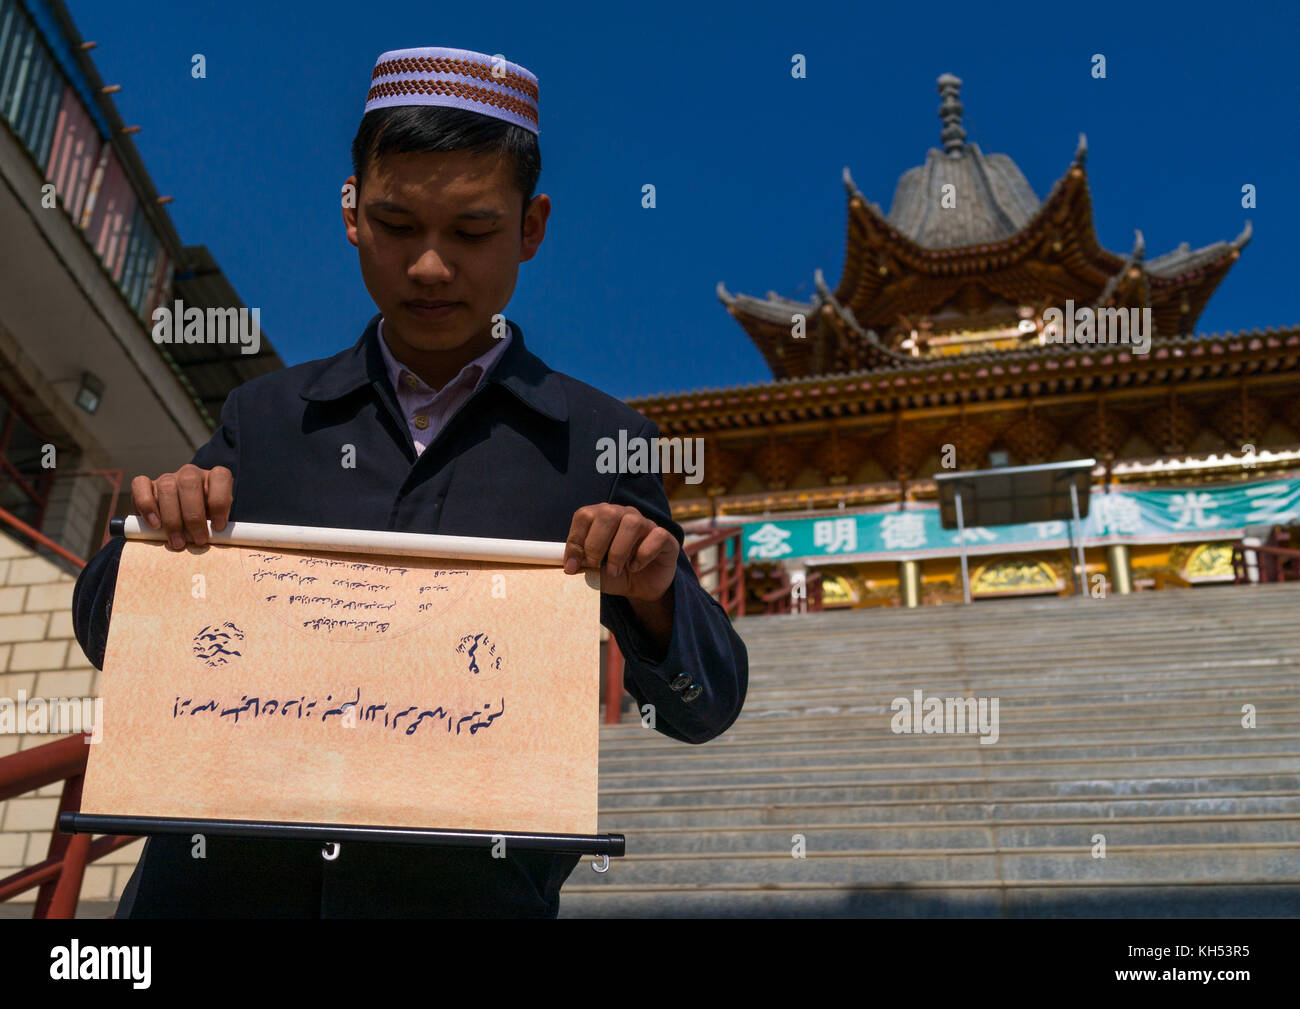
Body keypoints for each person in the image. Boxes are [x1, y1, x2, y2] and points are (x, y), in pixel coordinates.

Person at [71, 45, 748, 918]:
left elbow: (706, 705)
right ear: (351, 213)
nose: (430, 267)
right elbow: (104, 632)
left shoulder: (602, 442)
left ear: (532, 228)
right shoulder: (268, 418)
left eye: (472, 231)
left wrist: (656, 598)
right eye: (396, 226)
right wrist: (156, 547)